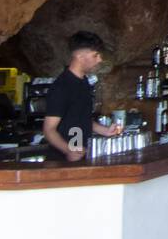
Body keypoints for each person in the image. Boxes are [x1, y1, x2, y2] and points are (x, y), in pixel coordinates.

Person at [42, 31, 122, 161]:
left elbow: (80, 117)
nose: (100, 60)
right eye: (95, 55)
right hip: (60, 163)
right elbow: (49, 129)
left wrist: (105, 130)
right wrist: (68, 150)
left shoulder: (84, 83)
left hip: (81, 157)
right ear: (80, 56)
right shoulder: (62, 86)